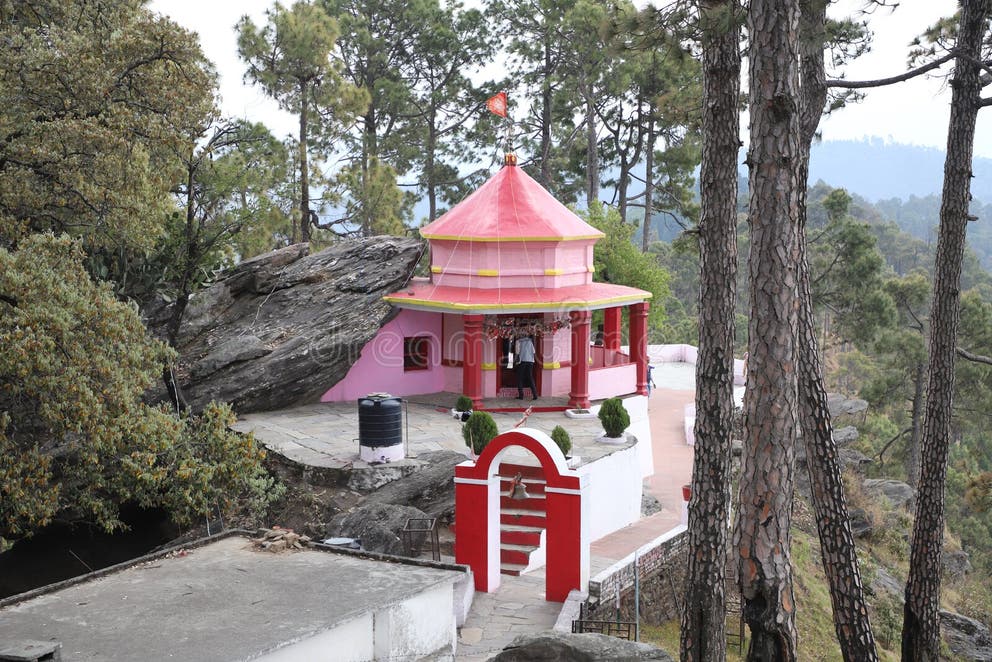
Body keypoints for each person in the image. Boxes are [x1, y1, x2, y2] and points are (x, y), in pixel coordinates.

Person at [515, 331, 538, 400]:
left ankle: (521, 395)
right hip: (530, 361)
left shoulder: (518, 341)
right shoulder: (530, 341)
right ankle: (535, 395)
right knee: (530, 377)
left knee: (520, 378)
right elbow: (533, 351)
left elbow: (517, 352)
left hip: (522, 361)